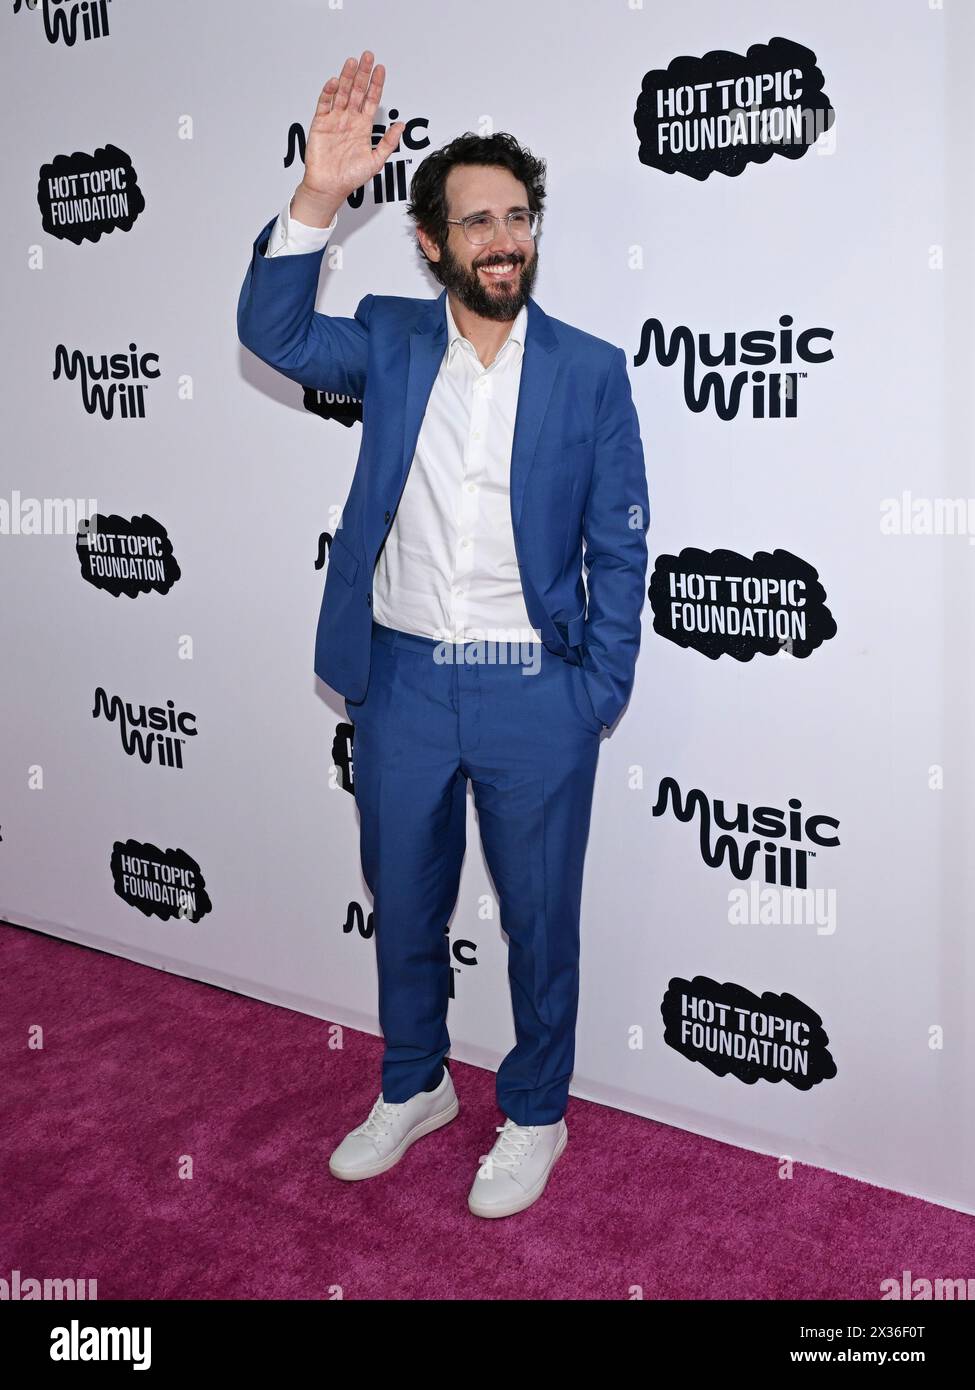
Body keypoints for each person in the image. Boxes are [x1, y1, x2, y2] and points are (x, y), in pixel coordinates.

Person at [237, 50, 650, 1218]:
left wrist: (595, 689)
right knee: (404, 898)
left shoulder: (590, 371)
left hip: (535, 688)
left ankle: (535, 1112)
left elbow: (620, 541)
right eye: (476, 220)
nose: (502, 237)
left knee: (537, 921)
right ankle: (413, 1083)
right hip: (403, 679)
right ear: (432, 243)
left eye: (517, 216)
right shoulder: (387, 337)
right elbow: (275, 333)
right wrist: (318, 195)